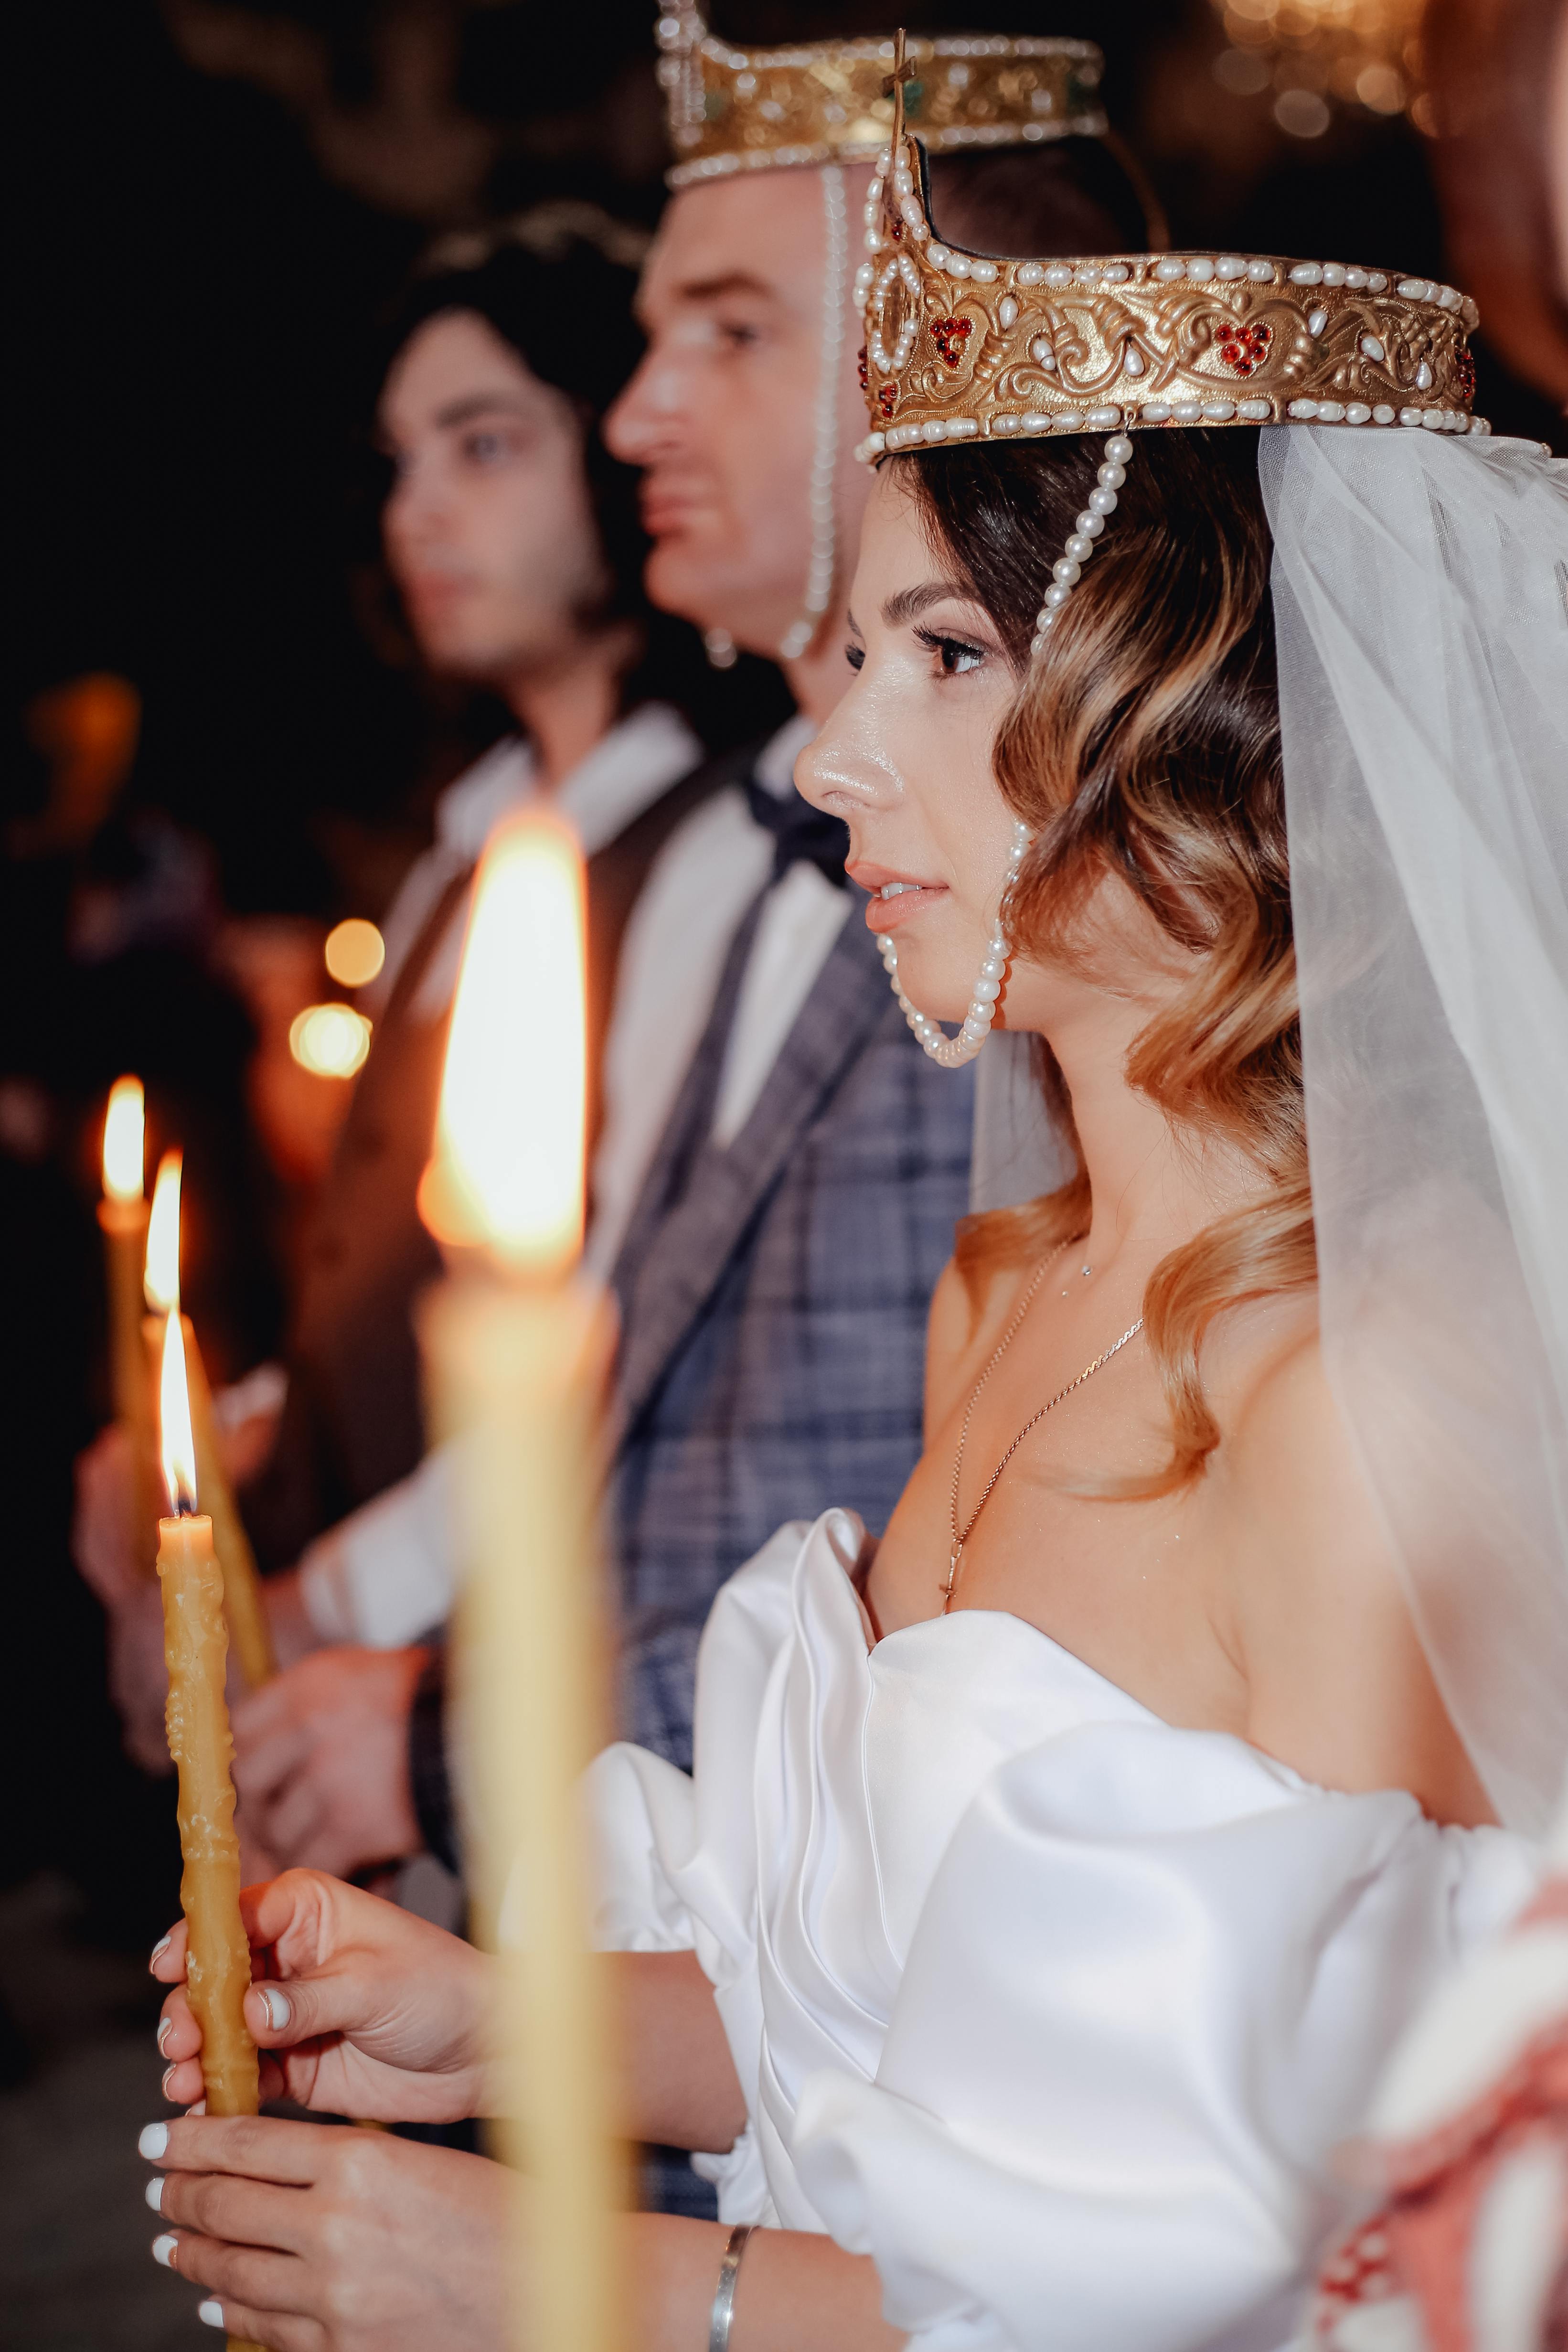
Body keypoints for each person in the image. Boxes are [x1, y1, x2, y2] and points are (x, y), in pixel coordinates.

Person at [132, 113, 1568, 2352]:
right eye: (858, 654)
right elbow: (912, 2044)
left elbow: (1304, 2290)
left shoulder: (1352, 1402)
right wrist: (503, 2020)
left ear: (1194, 722)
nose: (829, 758)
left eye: (943, 652)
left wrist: (566, 2285)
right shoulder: (1001, 1287)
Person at [214, 20, 1151, 1909]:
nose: (637, 412)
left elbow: (998, 1584)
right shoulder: (755, 848)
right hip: (653, 1923)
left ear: (945, 354)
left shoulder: (1057, 915)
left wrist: (442, 1736)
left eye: (726, 331)